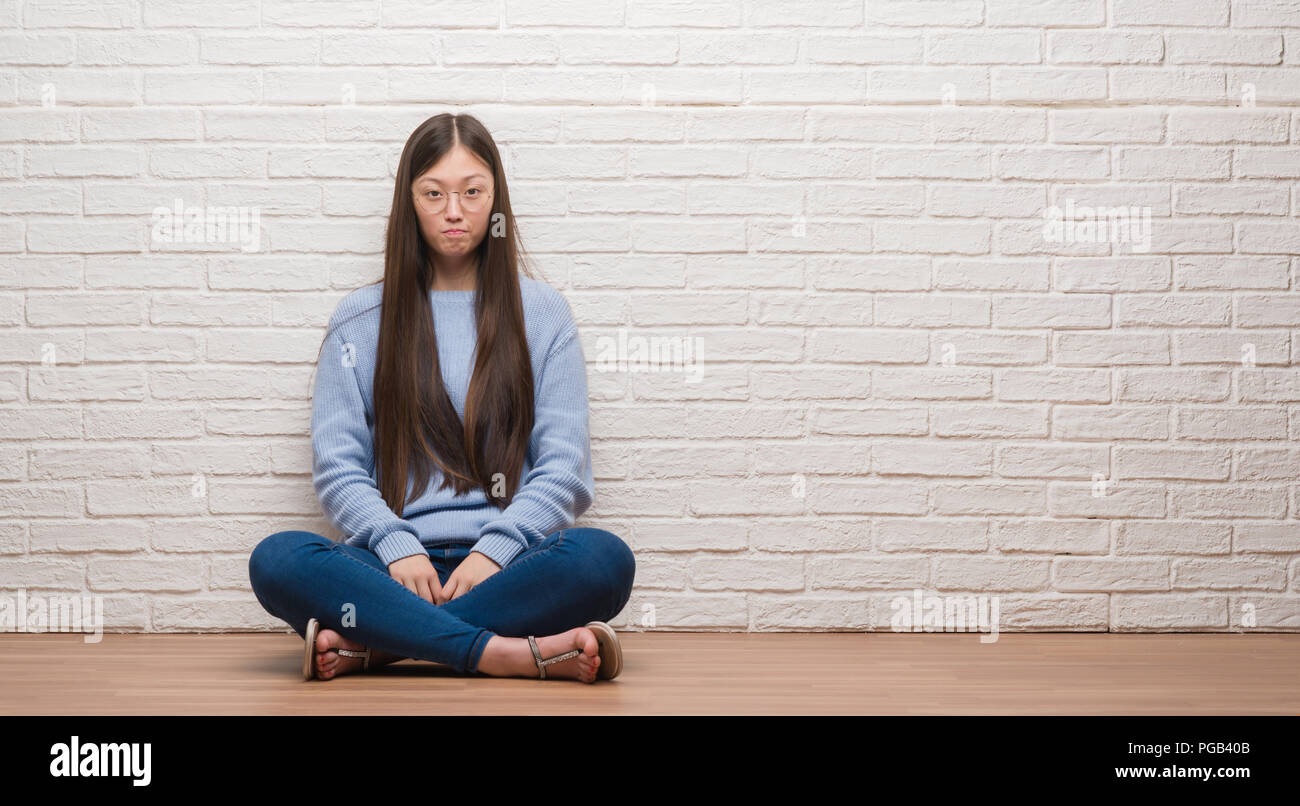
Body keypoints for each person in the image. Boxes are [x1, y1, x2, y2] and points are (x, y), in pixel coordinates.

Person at [247, 112, 635, 683]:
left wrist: (494, 551)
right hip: (386, 568)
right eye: (434, 194)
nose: (454, 212)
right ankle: (504, 653)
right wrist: (396, 543)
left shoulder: (544, 315)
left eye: (472, 192)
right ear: (410, 203)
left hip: (510, 566)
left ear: (495, 198)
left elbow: (563, 471)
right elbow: (338, 470)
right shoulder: (359, 319)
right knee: (277, 559)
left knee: (604, 561)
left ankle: (379, 647)